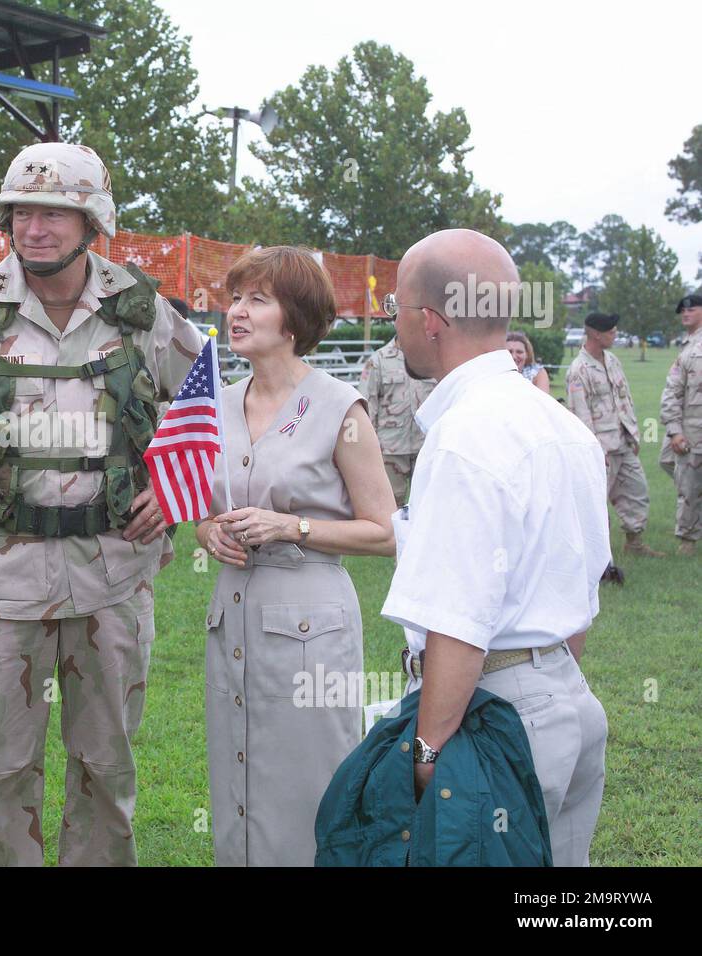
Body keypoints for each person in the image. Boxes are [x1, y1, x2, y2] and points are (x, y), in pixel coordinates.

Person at [0, 141, 204, 866]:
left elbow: (213, 409)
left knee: (106, 774)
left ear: (92, 222)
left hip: (113, 581)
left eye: (54, 214)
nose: (34, 228)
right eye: (21, 212)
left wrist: (174, 491)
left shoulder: (140, 312)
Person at [380, 229, 610, 867]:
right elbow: (579, 594)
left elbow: (458, 624)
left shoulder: (464, 437)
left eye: (395, 308)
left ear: (430, 320)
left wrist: (426, 755)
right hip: (568, 699)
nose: (393, 324)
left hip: (495, 717)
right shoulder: (563, 425)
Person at [196, 247, 396, 866]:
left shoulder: (341, 408)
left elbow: (385, 532)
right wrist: (207, 531)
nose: (237, 311)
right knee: (236, 785)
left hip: (312, 627)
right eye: (235, 298)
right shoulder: (217, 404)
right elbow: (207, 505)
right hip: (231, 615)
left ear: (294, 320)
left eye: (257, 300)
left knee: (307, 786)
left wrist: (293, 526)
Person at [566, 312, 664, 559]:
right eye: (611, 332)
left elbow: (625, 398)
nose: (615, 335)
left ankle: (635, 543)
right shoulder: (579, 370)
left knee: (637, 491)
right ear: (596, 334)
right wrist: (594, 451)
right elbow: (580, 414)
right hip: (602, 448)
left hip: (623, 442)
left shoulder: (612, 361)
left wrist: (633, 434)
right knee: (596, 502)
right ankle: (598, 556)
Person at [358, 335, 435, 505]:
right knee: (389, 505)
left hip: (425, 446)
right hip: (390, 449)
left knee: (427, 503)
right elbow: (366, 407)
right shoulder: (378, 360)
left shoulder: (430, 356)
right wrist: (367, 448)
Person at [660, 293, 702, 556]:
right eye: (682, 311)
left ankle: (688, 540)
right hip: (689, 429)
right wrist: (675, 430)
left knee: (689, 485)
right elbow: (673, 390)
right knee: (680, 475)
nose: (685, 314)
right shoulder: (688, 346)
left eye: (692, 309)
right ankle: (689, 537)